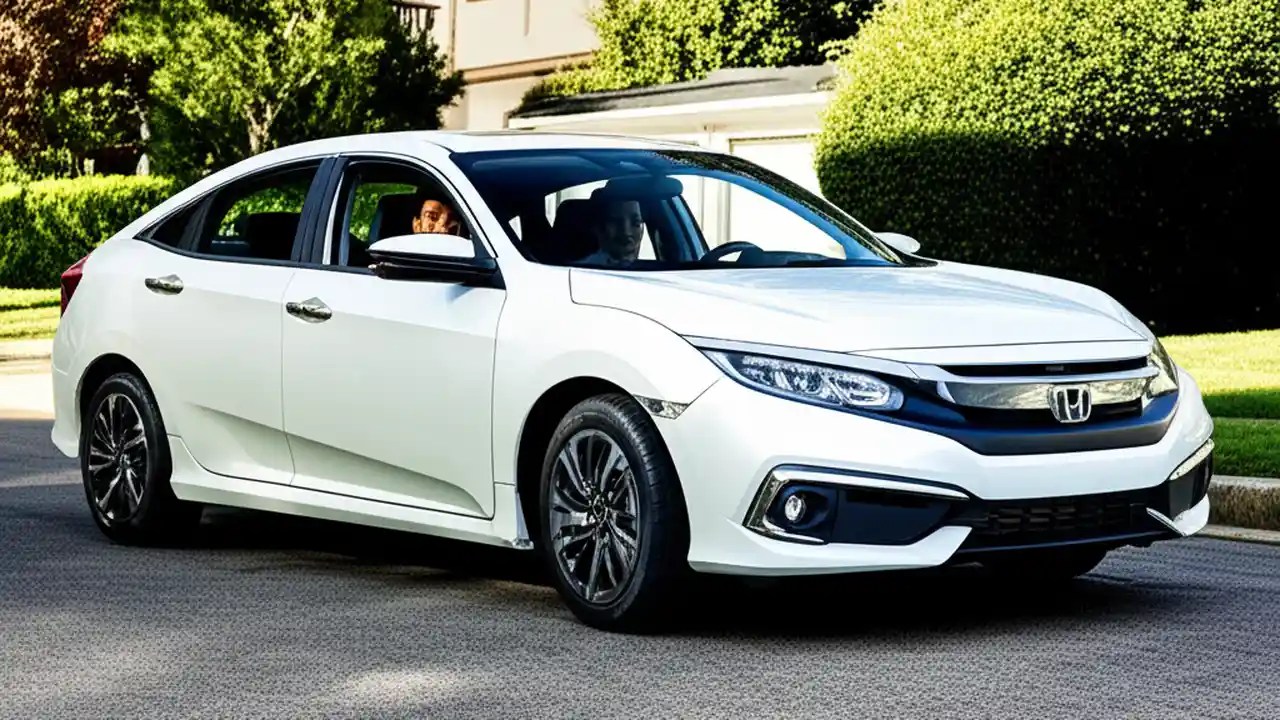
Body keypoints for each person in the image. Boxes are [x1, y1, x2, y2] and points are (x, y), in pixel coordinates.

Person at [579, 199, 644, 267]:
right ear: (598, 227)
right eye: (616, 221)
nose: (626, 232)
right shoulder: (581, 271)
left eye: (636, 222)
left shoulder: (647, 269)